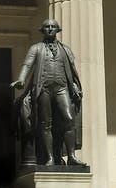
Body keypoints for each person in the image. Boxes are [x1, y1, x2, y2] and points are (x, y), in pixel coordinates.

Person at [11, 19, 84, 167]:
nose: (50, 29)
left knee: (69, 119)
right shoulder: (36, 48)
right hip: (43, 88)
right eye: (47, 27)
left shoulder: (66, 50)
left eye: (53, 27)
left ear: (57, 30)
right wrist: (21, 79)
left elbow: (72, 70)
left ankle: (71, 156)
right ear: (42, 30)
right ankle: (49, 158)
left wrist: (75, 87)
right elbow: (27, 64)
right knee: (46, 124)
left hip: (62, 88)